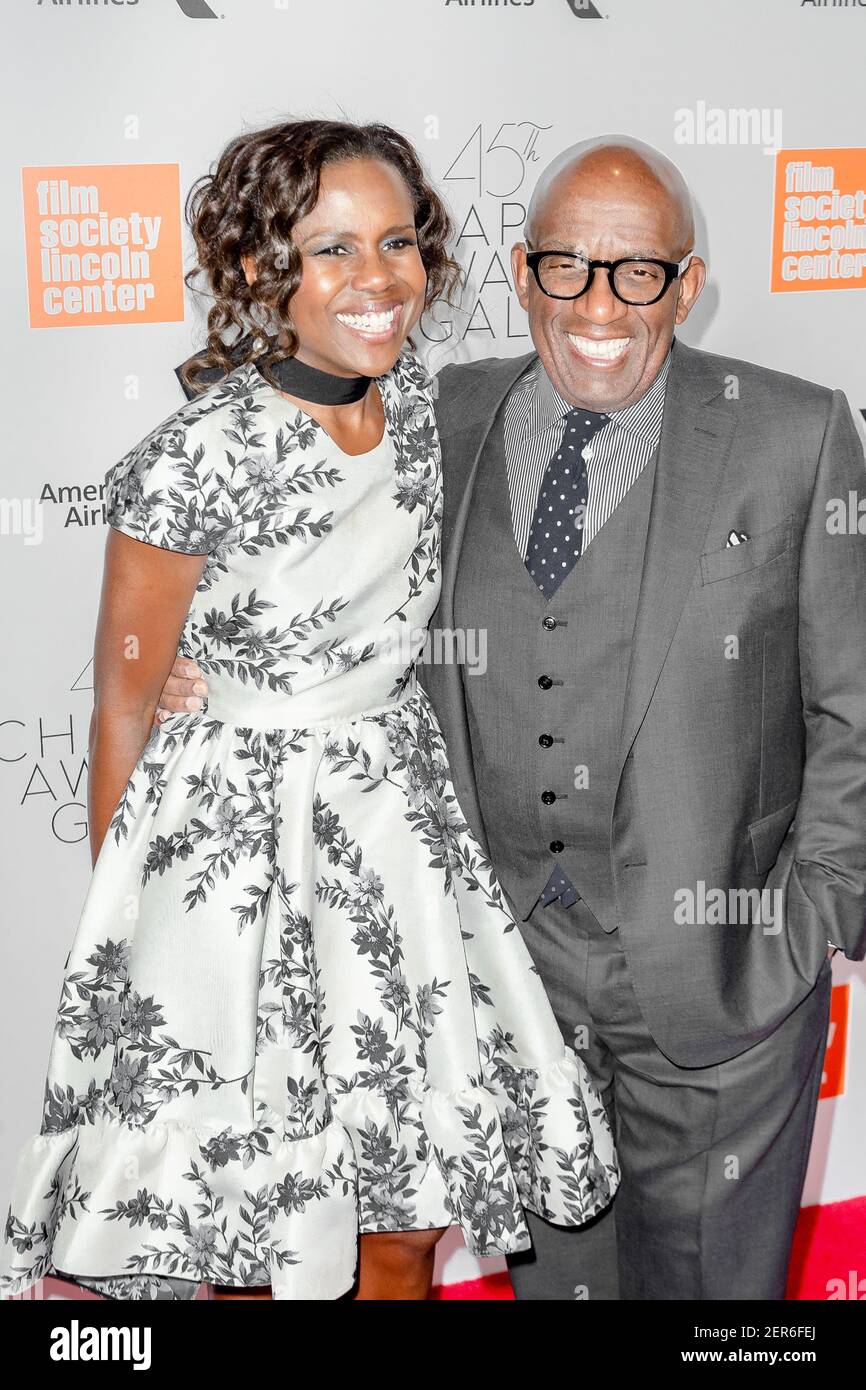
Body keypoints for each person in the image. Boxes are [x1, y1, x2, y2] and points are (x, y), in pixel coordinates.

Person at [162, 135, 866, 1301]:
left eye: (635, 272)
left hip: (721, 986)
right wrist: (207, 675)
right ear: (522, 269)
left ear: (685, 285)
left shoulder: (794, 434)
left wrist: (806, 921)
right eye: (564, 266)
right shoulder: (442, 414)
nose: (596, 304)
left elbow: (852, 706)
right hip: (504, 982)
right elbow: (315, 583)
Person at [0, 120, 618, 1304]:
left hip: (393, 846)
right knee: (248, 1224)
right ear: (253, 269)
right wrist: (137, 945)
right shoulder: (193, 457)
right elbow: (126, 701)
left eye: (395, 241)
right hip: (230, 870)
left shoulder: (423, 417)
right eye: (329, 248)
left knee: (407, 1212)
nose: (376, 278)